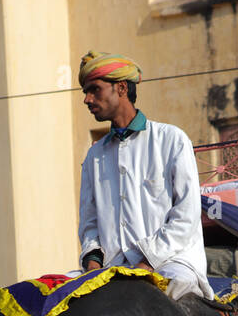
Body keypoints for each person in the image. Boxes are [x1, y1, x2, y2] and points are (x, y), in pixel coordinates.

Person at [77, 50, 213, 302]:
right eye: (85, 92)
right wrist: (93, 268)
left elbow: (186, 216)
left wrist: (146, 263)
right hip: (113, 270)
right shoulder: (94, 157)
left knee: (155, 297)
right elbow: (89, 225)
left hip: (170, 263)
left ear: (120, 88)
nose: (87, 99)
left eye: (94, 89)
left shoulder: (172, 140)